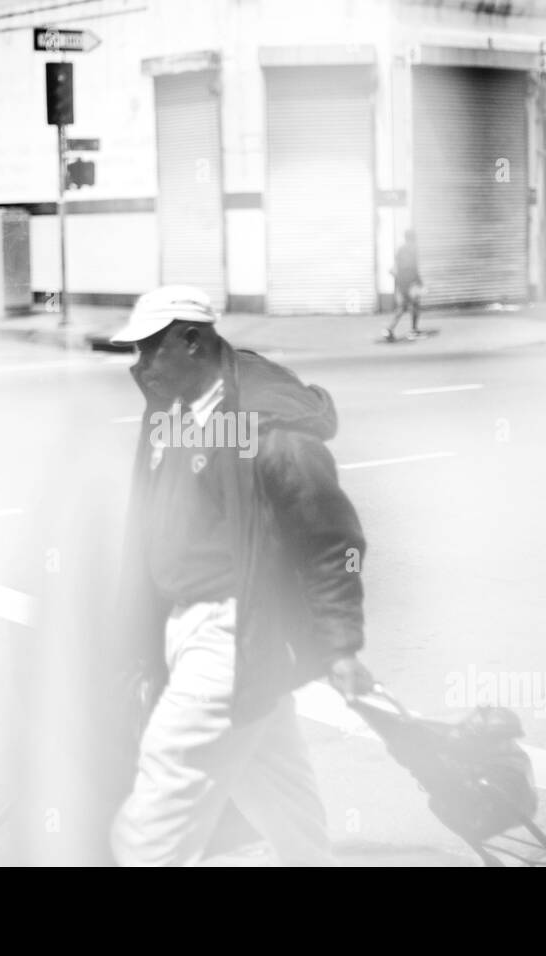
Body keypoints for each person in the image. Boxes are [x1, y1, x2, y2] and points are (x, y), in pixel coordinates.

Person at [107, 285, 375, 866]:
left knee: (159, 802)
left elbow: (330, 536)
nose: (140, 364)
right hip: (194, 627)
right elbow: (149, 532)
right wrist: (139, 647)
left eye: (150, 349)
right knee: (277, 789)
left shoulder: (263, 418)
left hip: (233, 632)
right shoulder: (172, 409)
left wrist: (340, 643)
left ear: (193, 341)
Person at [385, 229, 426, 341]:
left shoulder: (400, 249)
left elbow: (396, 266)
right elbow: (413, 267)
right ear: (413, 238)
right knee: (415, 306)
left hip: (400, 282)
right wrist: (419, 281)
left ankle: (389, 329)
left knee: (402, 307)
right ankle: (413, 330)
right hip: (411, 282)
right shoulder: (413, 249)